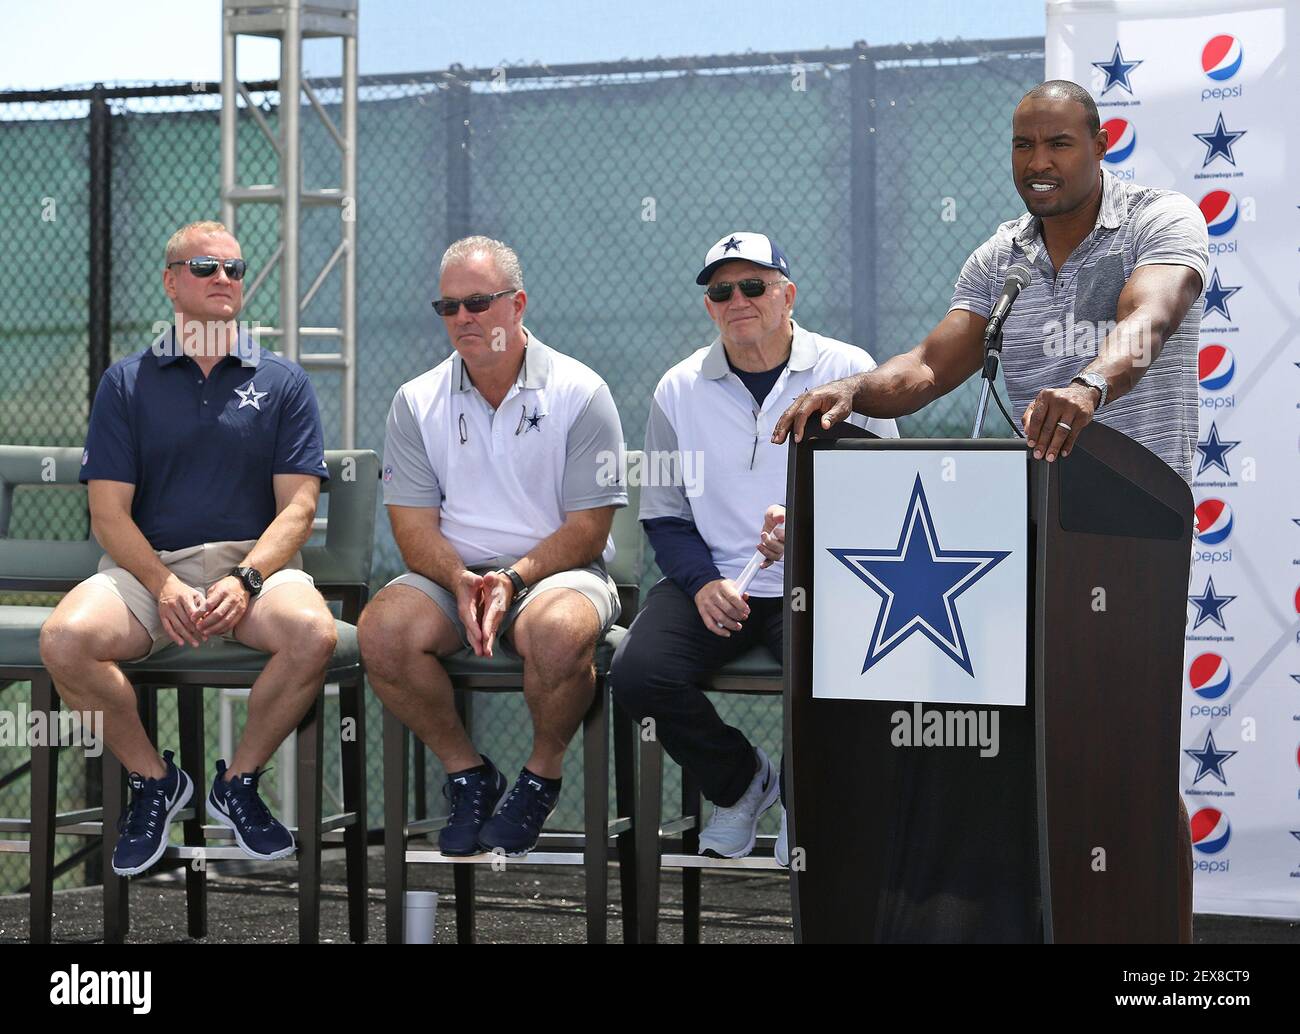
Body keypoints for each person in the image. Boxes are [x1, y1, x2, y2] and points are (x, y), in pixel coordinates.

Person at [774, 81, 1206, 938]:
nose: (1038, 164)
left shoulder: (1161, 220)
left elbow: (1150, 315)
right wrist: (855, 389)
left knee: (1120, 766)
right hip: (1017, 544)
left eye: (1058, 144)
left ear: (1099, 142)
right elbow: (930, 369)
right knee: (1011, 765)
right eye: (1023, 146)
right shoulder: (1002, 254)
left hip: (1129, 542)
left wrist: (1089, 383)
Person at [39, 220, 337, 877]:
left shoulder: (284, 381)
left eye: (235, 267)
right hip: (147, 572)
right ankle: (155, 782)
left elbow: (299, 507)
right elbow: (108, 514)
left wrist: (249, 577)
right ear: (173, 282)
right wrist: (165, 584)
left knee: (314, 635)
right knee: (63, 640)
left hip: (254, 570)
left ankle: (239, 783)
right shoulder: (126, 383)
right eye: (206, 267)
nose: (225, 278)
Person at [611, 231, 898, 861]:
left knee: (840, 674)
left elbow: (891, 491)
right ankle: (742, 783)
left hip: (826, 579)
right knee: (636, 675)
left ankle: (804, 801)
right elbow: (663, 515)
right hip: (713, 583)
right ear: (710, 307)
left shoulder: (849, 369)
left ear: (787, 295)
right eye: (721, 290)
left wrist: (809, 528)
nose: (737, 299)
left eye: (753, 285)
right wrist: (703, 583)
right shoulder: (675, 389)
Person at [358, 235, 627, 856]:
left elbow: (591, 528)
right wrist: (460, 581)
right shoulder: (414, 400)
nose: (462, 319)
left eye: (477, 303)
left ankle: (540, 774)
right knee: (381, 632)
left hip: (560, 572)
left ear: (518, 304)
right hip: (453, 578)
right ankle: (468, 773)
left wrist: (512, 577)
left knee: (560, 633)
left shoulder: (582, 391)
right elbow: (412, 529)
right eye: (447, 308)